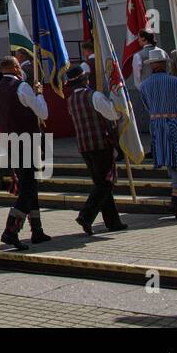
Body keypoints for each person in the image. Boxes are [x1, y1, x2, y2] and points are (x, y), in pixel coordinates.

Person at [0, 55, 49, 249]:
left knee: (29, 183)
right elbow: (43, 113)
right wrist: (39, 93)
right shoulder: (22, 87)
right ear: (16, 68)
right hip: (26, 140)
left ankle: (37, 230)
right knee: (28, 188)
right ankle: (11, 230)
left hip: (11, 141)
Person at [63, 65, 125, 235]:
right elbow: (113, 114)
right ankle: (86, 215)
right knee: (106, 183)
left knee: (101, 184)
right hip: (100, 144)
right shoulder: (94, 96)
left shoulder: (70, 100)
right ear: (85, 80)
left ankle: (113, 222)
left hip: (84, 146)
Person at [137, 49, 177, 220]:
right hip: (175, 123)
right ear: (165, 64)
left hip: (156, 125)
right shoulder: (175, 81)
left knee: (170, 161)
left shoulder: (144, 85)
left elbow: (148, 107)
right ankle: (176, 198)